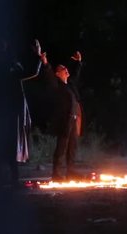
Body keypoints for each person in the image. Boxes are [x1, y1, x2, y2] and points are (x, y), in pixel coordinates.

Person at [0, 38, 42, 185]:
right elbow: (32, 72)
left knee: (10, 143)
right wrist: (38, 57)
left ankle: (11, 177)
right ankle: (11, 178)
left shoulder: (8, 65)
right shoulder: (8, 67)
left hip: (9, 109)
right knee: (10, 142)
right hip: (10, 110)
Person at [40, 47, 84, 181]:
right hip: (65, 120)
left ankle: (71, 171)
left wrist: (78, 62)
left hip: (74, 119)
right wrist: (45, 63)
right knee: (62, 147)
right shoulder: (57, 85)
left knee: (72, 147)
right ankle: (56, 174)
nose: (66, 70)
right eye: (63, 69)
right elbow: (48, 76)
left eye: (66, 68)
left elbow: (75, 74)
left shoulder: (69, 84)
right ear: (57, 73)